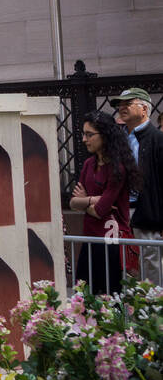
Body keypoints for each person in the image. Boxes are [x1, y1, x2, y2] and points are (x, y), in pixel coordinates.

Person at [69, 111, 140, 295]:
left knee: (112, 298)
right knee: (82, 295)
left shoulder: (118, 168)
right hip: (90, 239)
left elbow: (100, 211)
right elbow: (73, 203)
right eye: (83, 134)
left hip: (112, 240)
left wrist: (86, 203)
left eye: (89, 134)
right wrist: (92, 200)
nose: (84, 139)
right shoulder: (88, 164)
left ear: (105, 135)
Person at [112, 87, 163, 284]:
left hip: (149, 214)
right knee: (125, 267)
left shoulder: (157, 139)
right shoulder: (118, 139)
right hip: (121, 212)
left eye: (127, 103)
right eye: (119, 104)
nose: (121, 107)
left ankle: (152, 312)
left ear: (144, 109)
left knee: (151, 265)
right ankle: (128, 314)